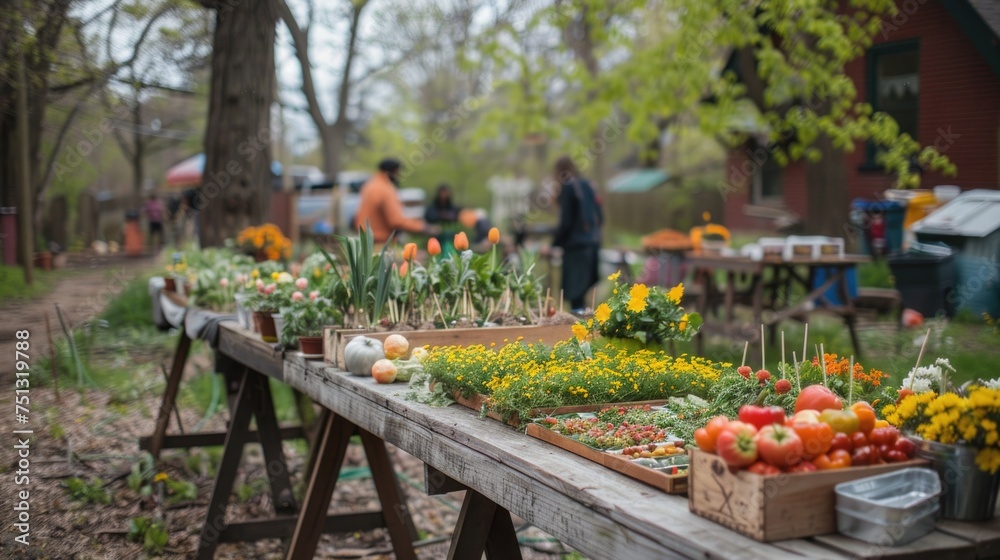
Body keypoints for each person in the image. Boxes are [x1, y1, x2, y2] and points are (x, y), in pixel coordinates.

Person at [551, 155, 603, 313]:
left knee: (576, 294)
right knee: (582, 292)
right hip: (592, 243)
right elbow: (600, 216)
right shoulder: (588, 185)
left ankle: (577, 330)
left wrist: (555, 244)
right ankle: (584, 328)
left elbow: (566, 222)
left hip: (576, 248)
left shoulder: (568, 187)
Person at [353, 158, 434, 243]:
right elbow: (396, 221)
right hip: (380, 241)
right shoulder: (385, 189)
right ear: (393, 171)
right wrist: (423, 227)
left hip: (365, 239)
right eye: (398, 172)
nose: (399, 176)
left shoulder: (369, 185)